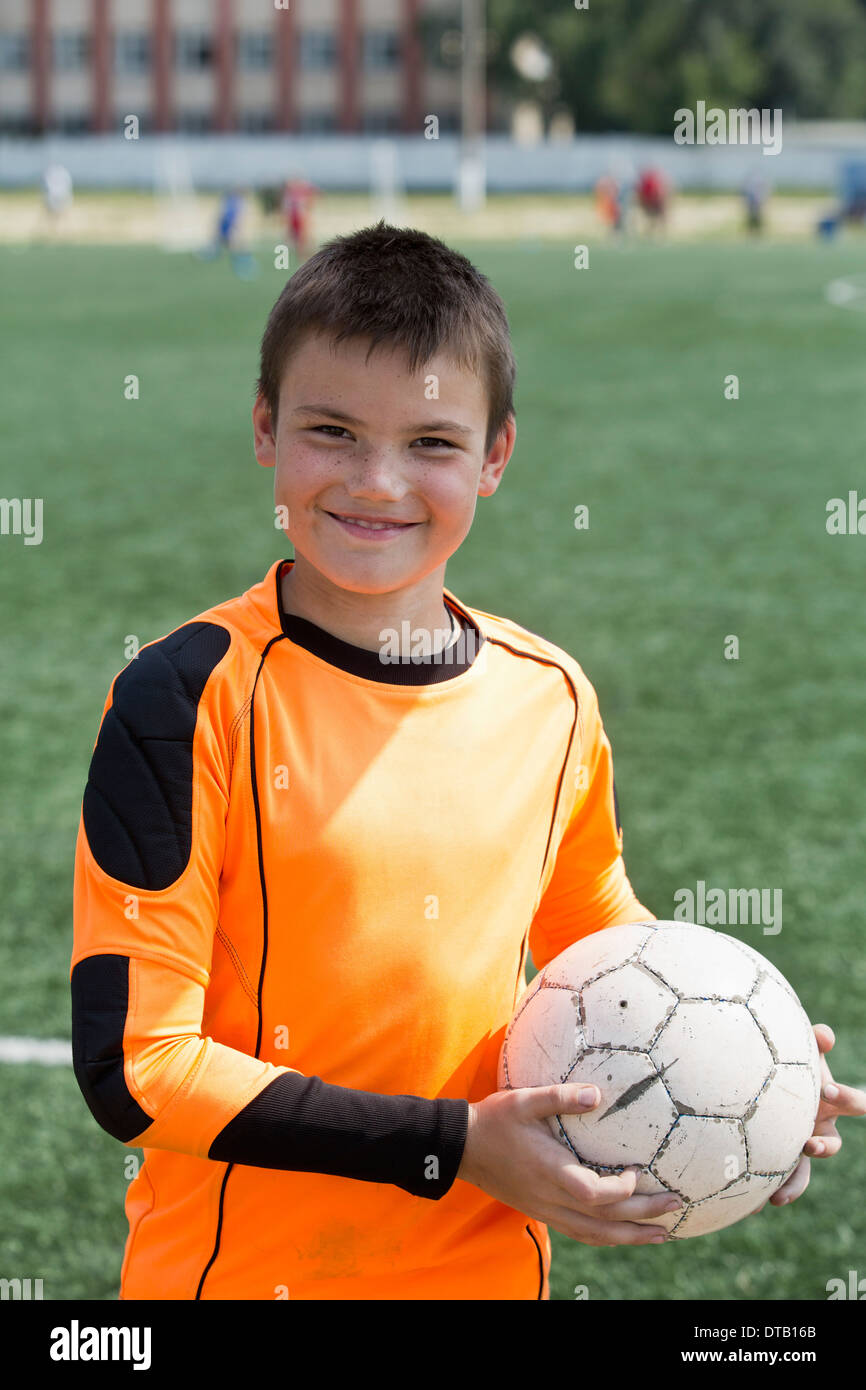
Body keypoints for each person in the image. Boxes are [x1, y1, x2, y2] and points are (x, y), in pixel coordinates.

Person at [70, 223, 863, 1300]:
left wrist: (744, 1062)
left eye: (431, 443)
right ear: (265, 429)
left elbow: (600, 946)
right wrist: (452, 1143)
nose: (377, 481)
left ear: (495, 456)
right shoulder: (183, 698)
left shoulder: (550, 698)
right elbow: (136, 1068)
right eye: (332, 431)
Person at [282, 174, 317, 263]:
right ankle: (301, 257)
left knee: (304, 239)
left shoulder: (303, 193)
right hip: (294, 219)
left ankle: (308, 256)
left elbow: (310, 202)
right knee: (295, 239)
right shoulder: (289, 195)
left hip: (301, 218)